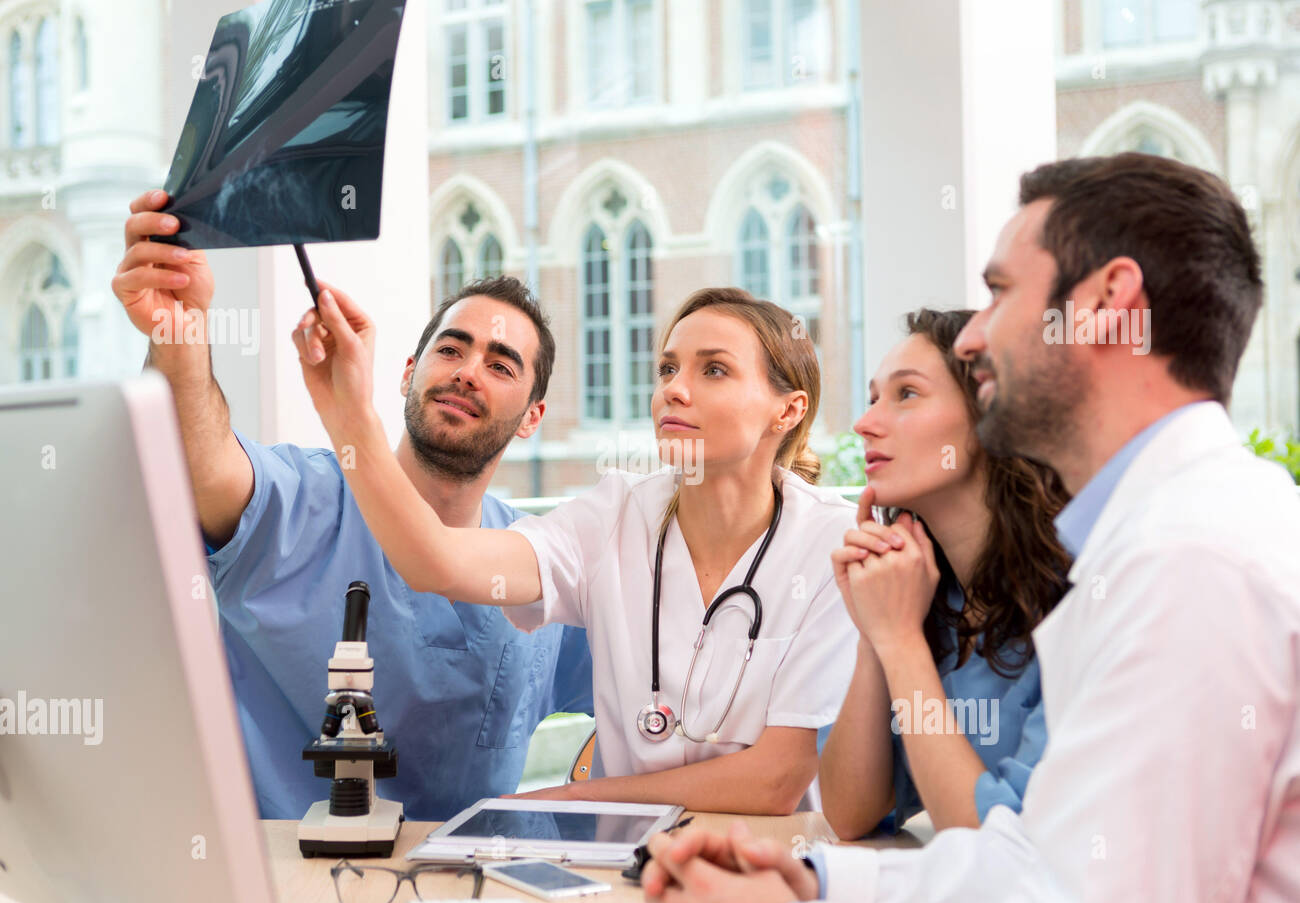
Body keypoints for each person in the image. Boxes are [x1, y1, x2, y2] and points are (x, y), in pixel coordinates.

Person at [641, 152, 1300, 903]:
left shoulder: (1192, 561)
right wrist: (811, 882)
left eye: (1000, 293)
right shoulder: (1151, 541)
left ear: (1106, 303)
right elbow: (1037, 855)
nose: (974, 337)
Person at [111, 189, 593, 820]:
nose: (468, 371)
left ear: (533, 418)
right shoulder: (302, 501)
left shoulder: (535, 563)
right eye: (451, 349)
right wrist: (179, 330)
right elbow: (197, 460)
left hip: (459, 896)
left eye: (500, 365)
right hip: (291, 891)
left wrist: (583, 806)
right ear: (407, 374)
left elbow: (647, 695)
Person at [292, 285, 859, 814]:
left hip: (764, 871)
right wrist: (351, 417)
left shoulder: (829, 543)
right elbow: (436, 562)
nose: (673, 390)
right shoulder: (612, 516)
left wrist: (557, 804)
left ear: (787, 411)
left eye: (713, 370)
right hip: (627, 867)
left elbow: (777, 779)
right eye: (667, 368)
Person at [820, 308, 1070, 839]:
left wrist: (902, 642)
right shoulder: (930, 593)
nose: (865, 423)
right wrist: (877, 634)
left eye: (906, 394)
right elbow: (849, 812)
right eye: (871, 399)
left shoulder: (1075, 591)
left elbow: (998, 841)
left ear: (990, 417)